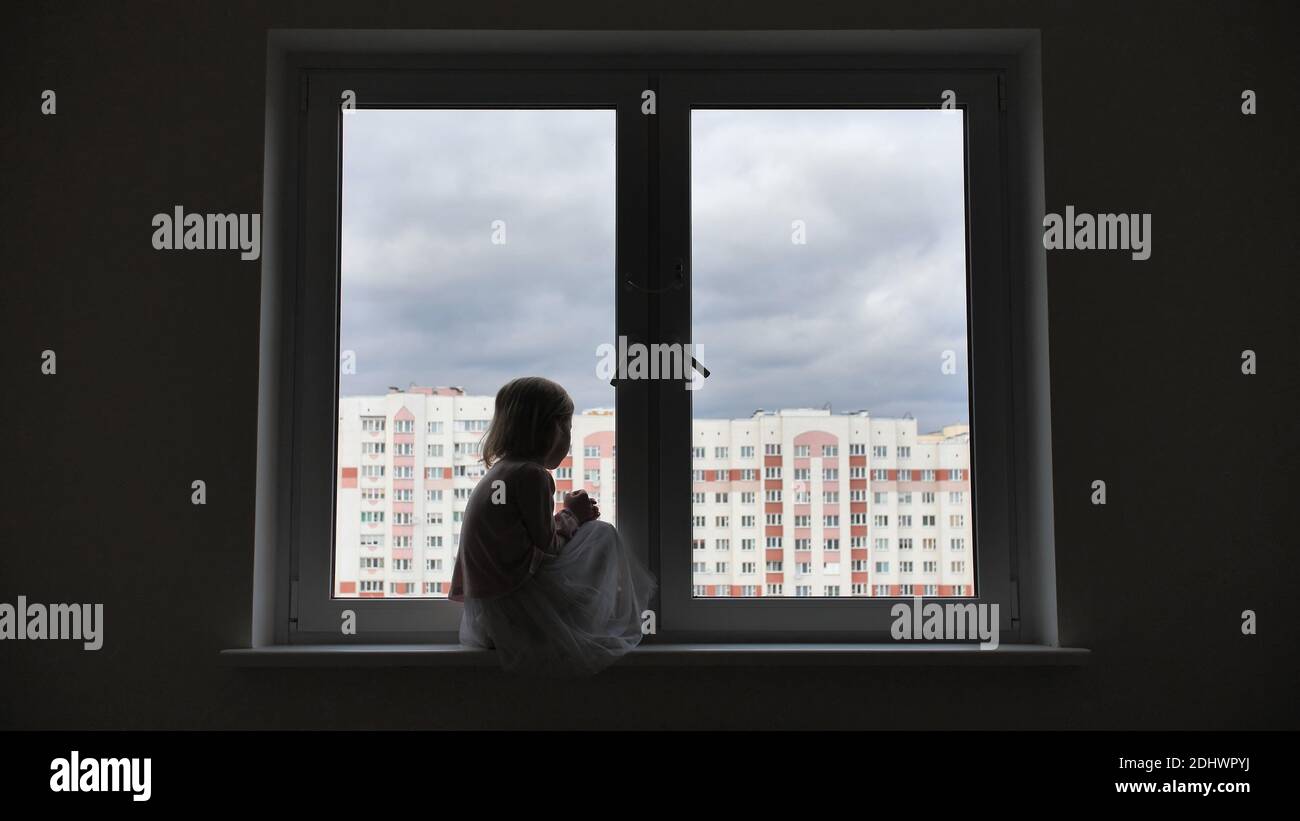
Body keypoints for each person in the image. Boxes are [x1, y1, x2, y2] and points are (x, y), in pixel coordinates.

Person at [449, 376, 657, 676]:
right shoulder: (533, 475)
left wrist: (565, 517)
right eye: (567, 427)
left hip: (487, 614)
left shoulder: (500, 471)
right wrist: (575, 515)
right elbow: (549, 544)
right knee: (601, 534)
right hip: (518, 606)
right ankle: (585, 622)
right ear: (552, 429)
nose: (568, 439)